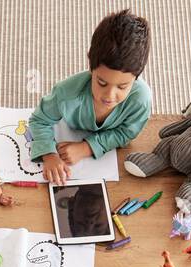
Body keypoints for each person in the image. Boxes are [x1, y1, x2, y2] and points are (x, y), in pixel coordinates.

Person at [31, 9, 153, 186]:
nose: (110, 96)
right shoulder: (66, 93)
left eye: (122, 86)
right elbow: (39, 120)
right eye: (102, 83)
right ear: (90, 65)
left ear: (137, 76)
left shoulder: (141, 100)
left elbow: (126, 133)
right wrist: (49, 155)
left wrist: (87, 147)